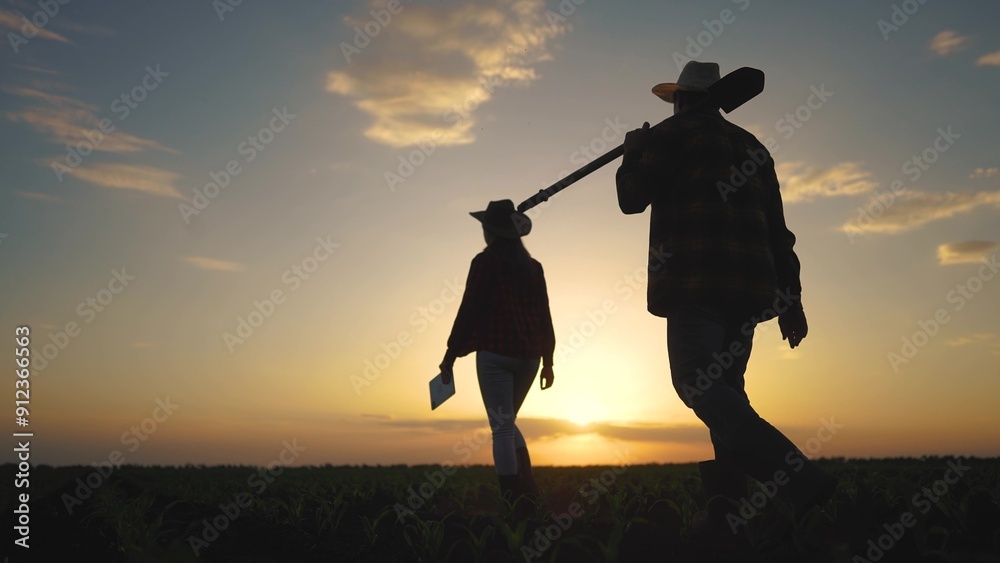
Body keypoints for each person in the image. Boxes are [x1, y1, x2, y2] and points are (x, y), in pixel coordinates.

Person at [615, 61, 836, 538]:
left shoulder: (670, 136)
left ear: (679, 99)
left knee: (697, 381)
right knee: (726, 397)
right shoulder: (753, 146)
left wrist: (632, 153)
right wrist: (791, 298)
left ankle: (798, 479)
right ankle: (726, 510)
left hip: (695, 283)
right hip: (750, 291)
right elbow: (780, 232)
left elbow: (632, 198)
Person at [440, 199, 555, 506]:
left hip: (496, 355)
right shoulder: (533, 268)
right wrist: (549, 361)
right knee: (507, 421)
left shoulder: (485, 262)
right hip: (529, 357)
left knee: (501, 428)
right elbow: (545, 315)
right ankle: (527, 489)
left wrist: (450, 355)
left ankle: (512, 501)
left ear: (489, 231)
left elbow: (470, 310)